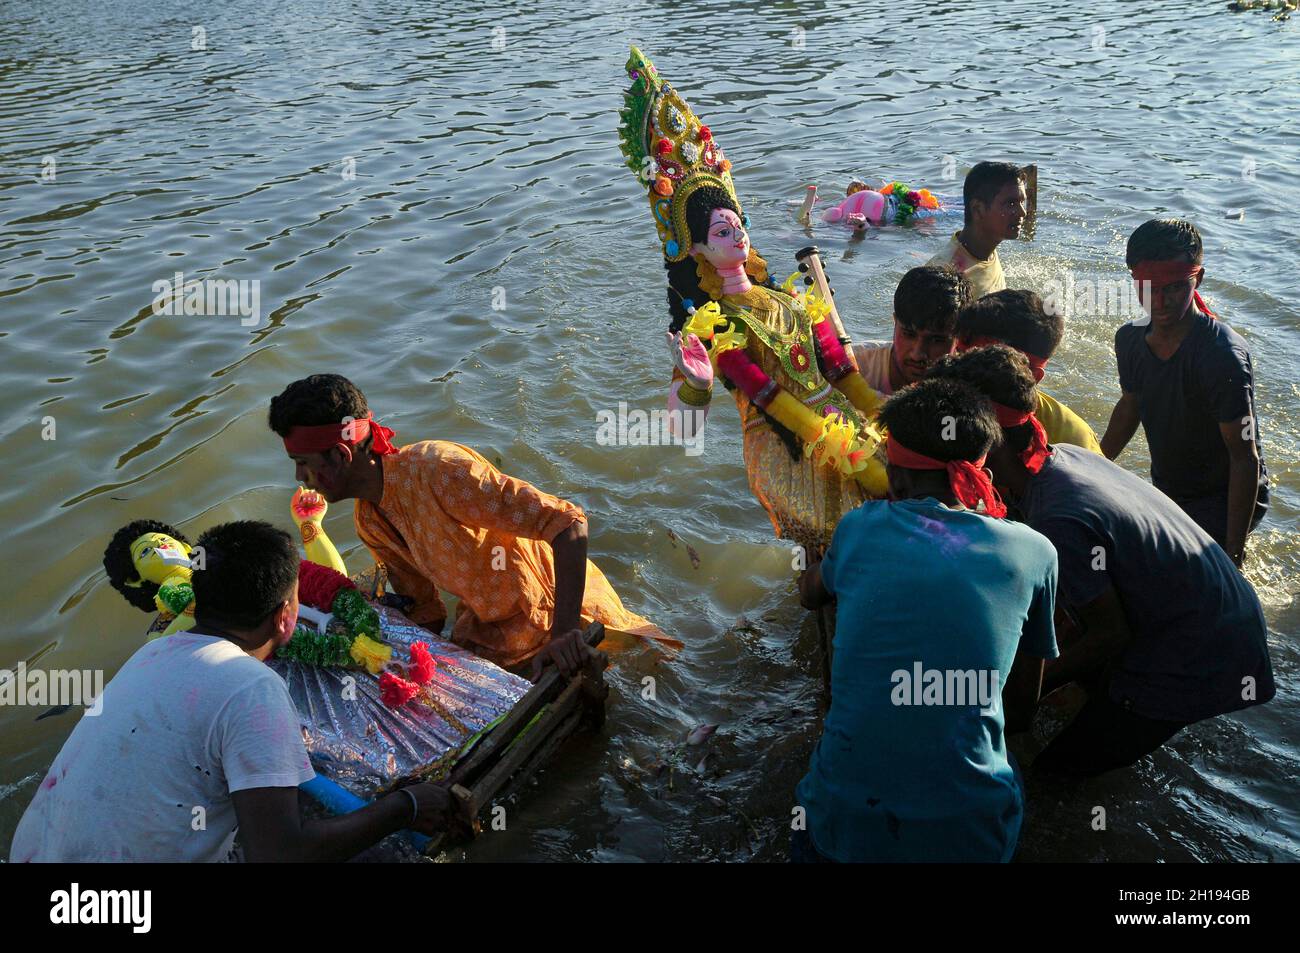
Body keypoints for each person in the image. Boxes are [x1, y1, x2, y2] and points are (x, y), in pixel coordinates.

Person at [10, 521, 453, 862]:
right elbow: (280, 855)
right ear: (286, 618)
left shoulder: (150, 654)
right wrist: (405, 806)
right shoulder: (252, 686)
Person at [928, 345, 1276, 776]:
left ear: (984, 441)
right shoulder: (1063, 457)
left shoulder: (1058, 518)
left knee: (1051, 777)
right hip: (1212, 613)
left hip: (1203, 649)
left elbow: (1109, 633)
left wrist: (1020, 692)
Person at [619, 45, 889, 557]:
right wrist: (697, 383)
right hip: (784, 444)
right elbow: (682, 428)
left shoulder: (787, 295)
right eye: (722, 230)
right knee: (831, 542)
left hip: (839, 420)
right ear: (696, 247)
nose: (737, 235)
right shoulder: (708, 324)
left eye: (738, 225)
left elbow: (838, 367)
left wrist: (882, 410)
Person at [794, 378, 1058, 862]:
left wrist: (816, 559)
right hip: (969, 836)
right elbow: (1021, 711)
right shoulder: (1035, 552)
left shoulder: (857, 530)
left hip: (843, 829)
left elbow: (811, 594)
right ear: (983, 468)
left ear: (894, 478)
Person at [268, 374, 671, 679]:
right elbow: (424, 610)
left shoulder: (439, 471)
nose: (301, 477)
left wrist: (565, 634)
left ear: (340, 455)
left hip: (561, 614)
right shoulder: (371, 520)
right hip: (491, 633)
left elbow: (568, 525)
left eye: (302, 463)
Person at [1100, 218, 1268, 565]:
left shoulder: (1221, 355)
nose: (1160, 301)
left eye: (1174, 288)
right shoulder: (1130, 340)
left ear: (1198, 279)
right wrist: (1094, 465)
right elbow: (1130, 406)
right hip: (1170, 487)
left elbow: (1243, 458)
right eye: (1148, 288)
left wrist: (1232, 551)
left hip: (1222, 497)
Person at [954, 288, 1102, 452]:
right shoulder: (935, 409)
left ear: (1033, 376)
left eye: (981, 363)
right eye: (959, 354)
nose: (960, 369)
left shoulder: (1073, 441)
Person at [852, 265, 973, 397]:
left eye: (936, 340)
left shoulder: (970, 386)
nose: (918, 355)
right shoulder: (852, 366)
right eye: (909, 334)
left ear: (959, 338)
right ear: (894, 322)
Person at [925, 161, 1026, 299]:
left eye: (1022, 202)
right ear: (978, 209)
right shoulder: (945, 278)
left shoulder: (986, 247)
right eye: (1011, 203)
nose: (1022, 212)